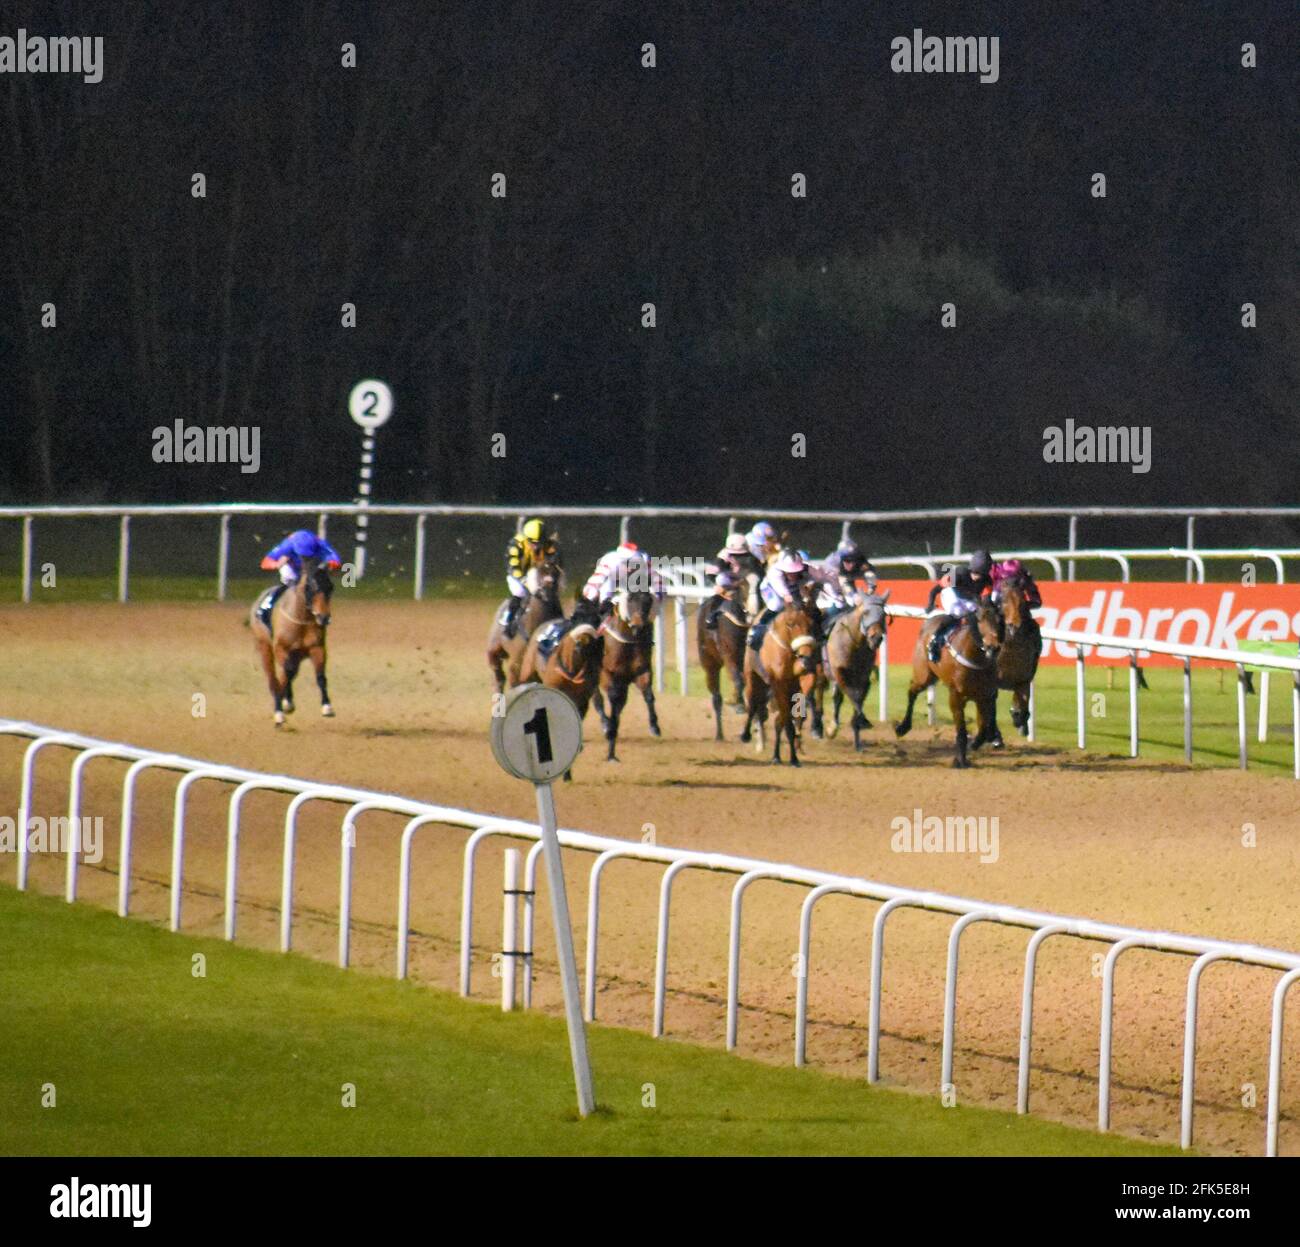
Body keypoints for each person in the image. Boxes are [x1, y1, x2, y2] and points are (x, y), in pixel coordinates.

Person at [256, 529, 342, 626]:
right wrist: (277, 564)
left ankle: (322, 611)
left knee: (324, 585)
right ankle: (265, 609)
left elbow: (335, 561)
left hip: (312, 570)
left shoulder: (320, 543)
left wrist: (331, 564)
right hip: (292, 571)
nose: (305, 558)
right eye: (303, 555)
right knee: (286, 582)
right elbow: (265, 563)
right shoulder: (287, 545)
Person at [924, 549, 994, 661]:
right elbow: (935, 590)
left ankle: (981, 645)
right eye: (975, 573)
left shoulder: (987, 580)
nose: (977, 577)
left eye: (981, 574)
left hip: (969, 599)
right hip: (951, 594)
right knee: (957, 615)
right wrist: (930, 604)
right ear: (971, 569)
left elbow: (987, 600)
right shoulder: (959, 573)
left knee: (976, 616)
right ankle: (935, 640)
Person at [573, 540, 664, 626]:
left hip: (633, 589)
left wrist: (658, 595)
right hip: (611, 588)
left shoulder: (645, 562)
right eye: (627, 564)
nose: (630, 568)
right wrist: (595, 597)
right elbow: (596, 581)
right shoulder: (610, 563)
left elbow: (657, 580)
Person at [502, 518, 562, 638]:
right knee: (519, 592)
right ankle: (509, 620)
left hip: (538, 574)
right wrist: (523, 580)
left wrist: (550, 576)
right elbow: (513, 567)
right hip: (518, 576)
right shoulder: (516, 545)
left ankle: (558, 618)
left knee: (552, 593)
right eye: (532, 543)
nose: (536, 546)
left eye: (539, 543)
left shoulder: (549, 545)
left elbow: (554, 563)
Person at [748, 551, 813, 651]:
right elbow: (785, 594)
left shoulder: (805, 570)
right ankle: (758, 628)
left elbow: (815, 579)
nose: (793, 574)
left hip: (792, 589)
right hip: (771, 589)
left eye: (795, 571)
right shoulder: (774, 573)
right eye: (789, 571)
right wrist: (794, 599)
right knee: (776, 604)